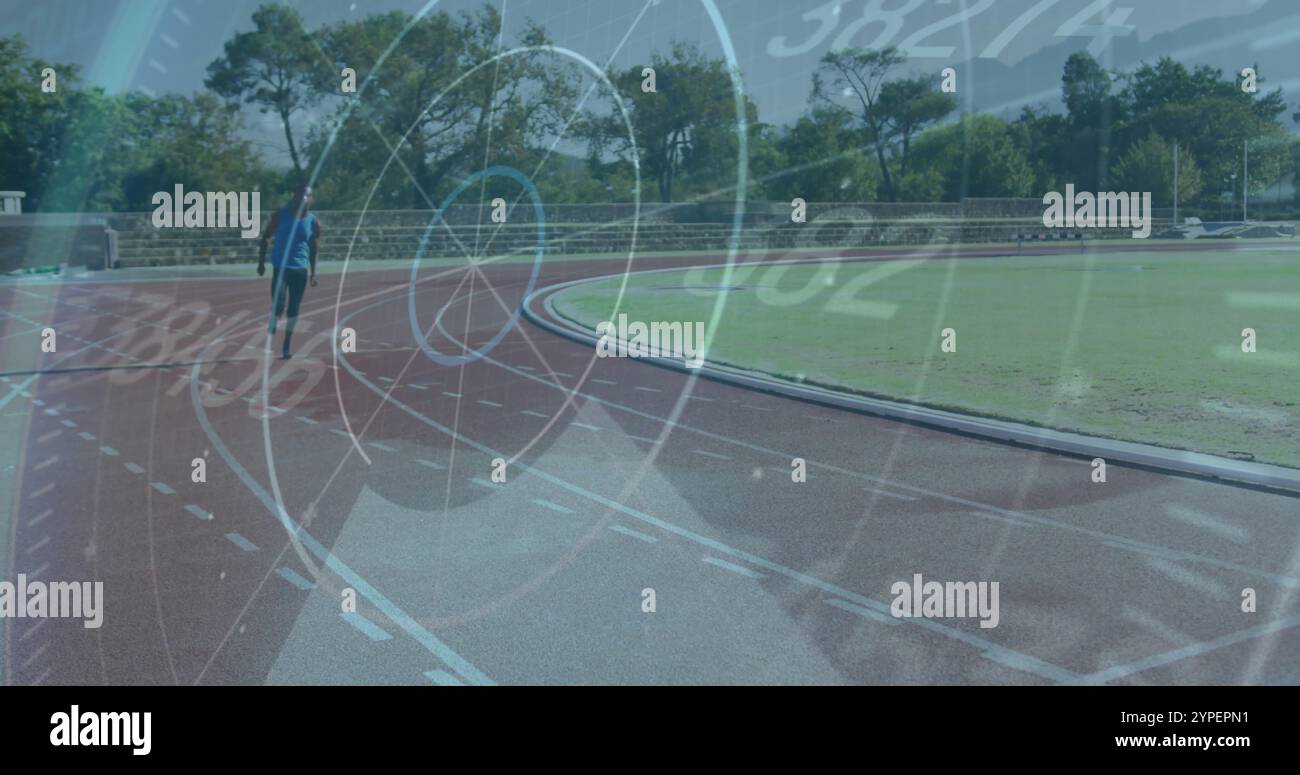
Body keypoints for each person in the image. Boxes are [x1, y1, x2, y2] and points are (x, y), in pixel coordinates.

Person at [258, 185, 320, 359]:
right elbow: (266, 236)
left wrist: (314, 272)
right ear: (295, 197)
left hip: (300, 269)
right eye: (300, 196)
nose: (303, 199)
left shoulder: (313, 221)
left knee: (294, 308)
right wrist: (261, 262)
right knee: (279, 304)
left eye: (307, 196)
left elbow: (314, 247)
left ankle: (287, 343)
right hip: (281, 266)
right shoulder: (281, 214)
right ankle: (274, 317)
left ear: (311, 199)